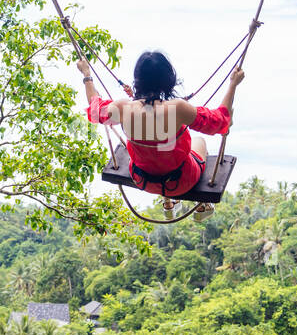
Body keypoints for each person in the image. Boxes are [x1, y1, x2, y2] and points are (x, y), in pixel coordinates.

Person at [79, 51, 245, 219]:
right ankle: (203, 206)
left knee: (157, 153)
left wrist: (87, 76)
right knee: (198, 141)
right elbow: (219, 122)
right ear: (168, 80)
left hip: (143, 180)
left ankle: (168, 203)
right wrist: (233, 84)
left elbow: (95, 110)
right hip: (181, 182)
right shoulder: (177, 109)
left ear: (137, 80)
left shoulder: (123, 108)